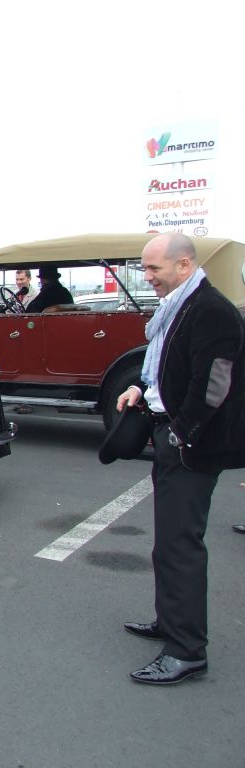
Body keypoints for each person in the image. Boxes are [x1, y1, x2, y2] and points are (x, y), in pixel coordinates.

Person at [115, 232, 245, 685]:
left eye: (154, 269)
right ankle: (170, 622)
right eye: (146, 268)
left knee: (181, 547)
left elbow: (213, 386)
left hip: (192, 448)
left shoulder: (210, 310)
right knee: (168, 543)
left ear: (185, 265)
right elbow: (167, 367)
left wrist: (180, 435)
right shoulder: (179, 305)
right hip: (176, 439)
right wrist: (140, 389)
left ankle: (187, 650)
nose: (147, 277)